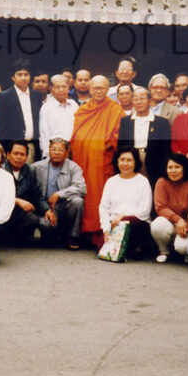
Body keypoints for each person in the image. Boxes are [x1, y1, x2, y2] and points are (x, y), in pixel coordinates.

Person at [69, 75, 125, 247]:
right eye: (95, 88)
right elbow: (76, 135)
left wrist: (100, 147)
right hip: (82, 161)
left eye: (102, 88)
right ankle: (82, 232)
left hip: (102, 162)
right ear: (90, 89)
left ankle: (100, 231)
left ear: (108, 89)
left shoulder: (115, 109)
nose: (98, 91)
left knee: (101, 197)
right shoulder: (83, 110)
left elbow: (117, 135)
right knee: (84, 195)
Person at [99, 147, 155, 260]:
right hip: (114, 225)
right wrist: (106, 229)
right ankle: (129, 250)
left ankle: (136, 247)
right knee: (101, 247)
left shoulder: (143, 182)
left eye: (129, 160)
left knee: (119, 244)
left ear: (135, 162)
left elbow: (144, 211)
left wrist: (123, 216)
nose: (125, 164)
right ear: (117, 161)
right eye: (122, 160)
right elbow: (104, 208)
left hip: (136, 224)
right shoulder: (111, 181)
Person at [32, 138, 87, 249]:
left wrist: (59, 194)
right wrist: (45, 208)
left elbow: (81, 188)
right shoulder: (37, 167)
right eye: (53, 149)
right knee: (46, 226)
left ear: (66, 152)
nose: (56, 152)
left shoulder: (73, 167)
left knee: (78, 201)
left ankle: (73, 237)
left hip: (65, 205)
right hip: (46, 207)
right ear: (48, 151)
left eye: (60, 150)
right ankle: (53, 234)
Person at [150, 154, 188, 263]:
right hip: (170, 221)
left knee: (181, 248)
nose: (173, 171)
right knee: (157, 225)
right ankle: (164, 251)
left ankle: (185, 253)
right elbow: (161, 207)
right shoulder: (162, 182)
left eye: (177, 167)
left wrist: (186, 226)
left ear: (184, 168)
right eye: (170, 167)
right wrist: (178, 220)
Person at [116, 86, 171, 187]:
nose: (139, 102)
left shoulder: (161, 122)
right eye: (135, 99)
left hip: (153, 161)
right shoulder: (125, 121)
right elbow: (121, 145)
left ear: (149, 100)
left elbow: (166, 149)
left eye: (142, 99)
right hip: (131, 159)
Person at [0, 59, 42, 161]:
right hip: (12, 149)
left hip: (32, 147)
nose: (23, 78)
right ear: (13, 77)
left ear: (30, 76)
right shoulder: (4, 97)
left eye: (26, 74)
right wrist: (4, 151)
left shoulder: (36, 96)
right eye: (19, 74)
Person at [2, 140, 42, 245]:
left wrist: (47, 209)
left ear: (27, 157)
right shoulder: (0, 169)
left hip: (19, 211)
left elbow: (36, 193)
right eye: (16, 153)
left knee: (33, 219)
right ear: (8, 155)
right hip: (1, 208)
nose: (19, 157)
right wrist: (17, 201)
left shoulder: (29, 170)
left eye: (22, 154)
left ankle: (14, 238)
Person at [38, 74, 79, 158]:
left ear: (68, 88)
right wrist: (47, 155)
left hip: (73, 149)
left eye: (64, 87)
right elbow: (44, 134)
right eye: (57, 87)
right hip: (56, 149)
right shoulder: (46, 108)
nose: (61, 90)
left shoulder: (74, 105)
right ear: (51, 89)